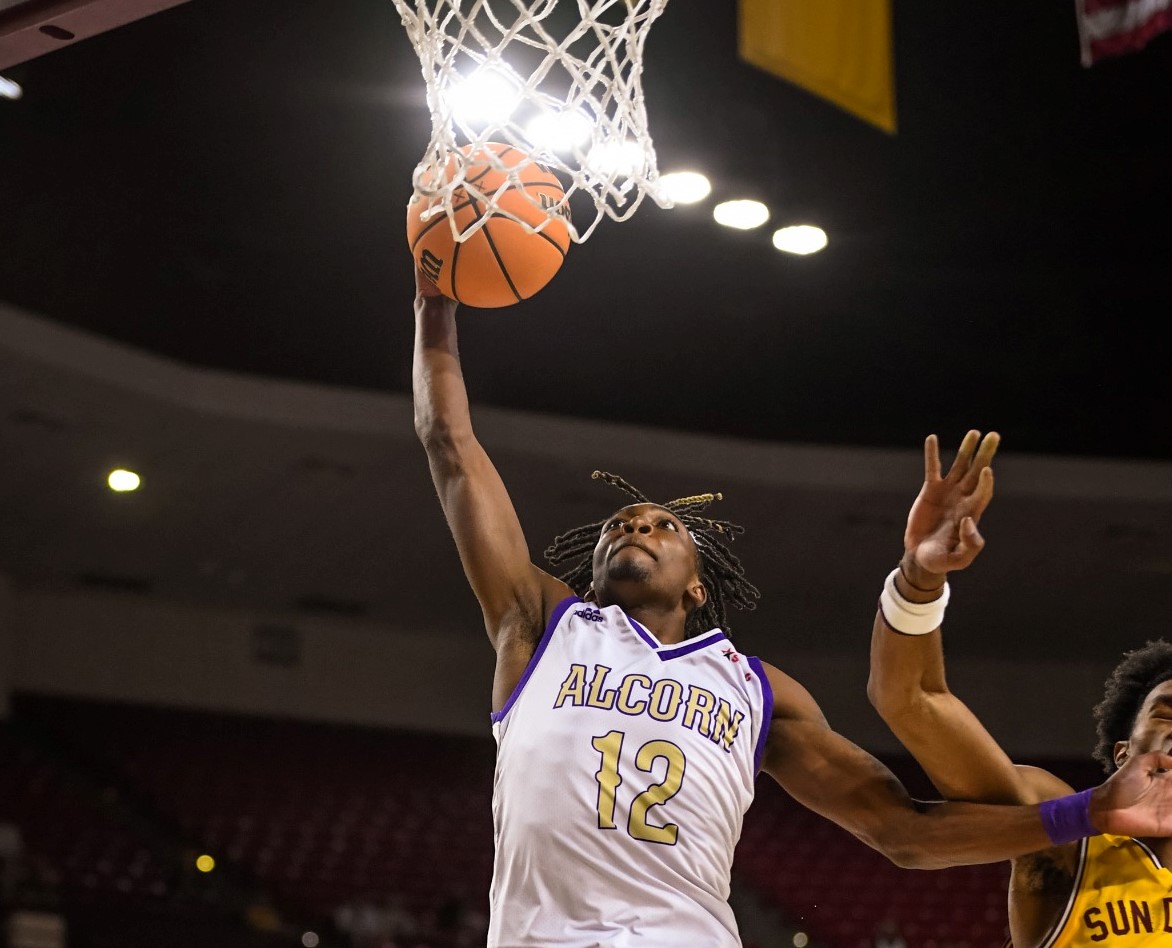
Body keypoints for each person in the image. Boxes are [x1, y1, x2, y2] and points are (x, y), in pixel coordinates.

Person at [412, 272, 1172, 947]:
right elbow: (449, 443)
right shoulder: (542, 626)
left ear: (698, 585)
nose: (634, 525)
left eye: (662, 524)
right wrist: (434, 301)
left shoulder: (758, 691)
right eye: (619, 524)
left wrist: (1086, 814)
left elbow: (902, 831)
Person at [868, 429, 1172, 947]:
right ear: (1124, 753)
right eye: (1165, 714)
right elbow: (912, 699)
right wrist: (919, 582)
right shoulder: (1068, 837)